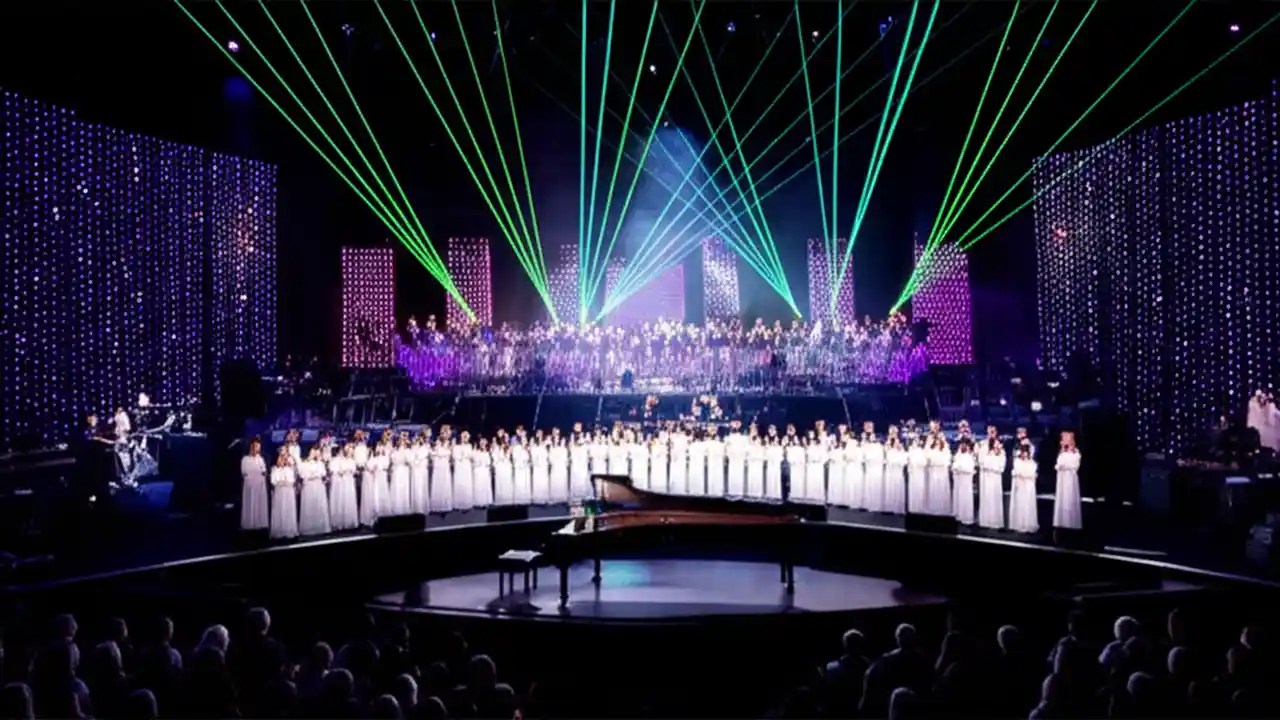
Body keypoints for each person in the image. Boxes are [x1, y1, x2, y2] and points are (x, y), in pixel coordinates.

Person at [298, 447, 332, 536]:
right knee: (309, 505)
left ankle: (320, 527)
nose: (314, 454)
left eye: (315, 452)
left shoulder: (320, 463)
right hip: (309, 486)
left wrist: (319, 476)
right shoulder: (304, 463)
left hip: (318, 485)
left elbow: (323, 473)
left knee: (319, 504)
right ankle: (309, 528)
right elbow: (302, 474)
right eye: (312, 451)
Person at [1053, 431, 1083, 530]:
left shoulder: (1076, 453)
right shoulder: (1062, 453)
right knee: (1062, 498)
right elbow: (1058, 464)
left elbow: (1075, 466)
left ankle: (1070, 523)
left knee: (1069, 498)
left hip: (1070, 478)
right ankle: (1061, 522)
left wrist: (1064, 465)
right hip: (1062, 478)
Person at [240, 438, 270, 531]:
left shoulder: (261, 459)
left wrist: (264, 473)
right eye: (256, 446)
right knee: (250, 503)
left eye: (259, 447)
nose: (258, 449)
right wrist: (251, 479)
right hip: (250, 486)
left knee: (259, 504)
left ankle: (259, 522)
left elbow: (264, 471)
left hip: (259, 486)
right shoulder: (245, 459)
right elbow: (244, 473)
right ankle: (249, 523)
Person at [329, 443, 360, 531]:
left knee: (350, 499)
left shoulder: (352, 461)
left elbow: (354, 470)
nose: (350, 453)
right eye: (348, 451)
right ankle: (340, 521)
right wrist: (343, 471)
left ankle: (350, 521)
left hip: (349, 480)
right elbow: (338, 470)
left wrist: (351, 471)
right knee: (343, 500)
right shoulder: (340, 460)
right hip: (344, 481)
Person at [1008, 443, 1039, 533]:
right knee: (1021, 504)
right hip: (1021, 486)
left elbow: (1031, 473)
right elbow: (1018, 472)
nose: (1025, 454)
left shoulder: (1032, 463)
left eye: (1026, 452)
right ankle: (1019, 524)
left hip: (1029, 486)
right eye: (1023, 452)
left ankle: (1028, 523)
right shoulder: (1017, 461)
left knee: (1028, 504)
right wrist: (1022, 474)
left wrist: (1026, 475)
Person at [978, 435, 1006, 529]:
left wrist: (993, 467)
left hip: (996, 479)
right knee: (987, 498)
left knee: (995, 498)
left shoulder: (1001, 453)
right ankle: (986, 520)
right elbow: (982, 463)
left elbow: (1001, 467)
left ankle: (995, 520)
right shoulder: (986, 452)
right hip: (987, 478)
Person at [269, 452, 299, 539]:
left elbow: (291, 481)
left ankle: (288, 529)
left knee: (287, 510)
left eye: (283, 459)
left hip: (288, 492)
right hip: (279, 492)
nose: (281, 460)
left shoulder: (289, 470)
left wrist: (286, 482)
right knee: (279, 510)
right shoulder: (275, 470)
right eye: (280, 458)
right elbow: (273, 481)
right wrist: (280, 483)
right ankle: (279, 530)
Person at [387, 434, 414, 516]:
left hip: (404, 471)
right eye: (400, 440)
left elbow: (410, 460)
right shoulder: (394, 451)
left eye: (403, 441)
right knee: (396, 488)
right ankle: (396, 508)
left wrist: (407, 452)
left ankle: (404, 507)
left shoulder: (407, 450)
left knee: (404, 488)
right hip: (397, 471)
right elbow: (393, 460)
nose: (402, 442)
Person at [951, 439, 977, 524]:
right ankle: (958, 514)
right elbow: (954, 466)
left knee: (966, 498)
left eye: (964, 445)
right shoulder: (958, 455)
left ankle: (966, 516)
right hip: (958, 480)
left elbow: (970, 469)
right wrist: (956, 468)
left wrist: (961, 468)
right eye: (961, 445)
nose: (962, 447)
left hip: (966, 480)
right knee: (958, 497)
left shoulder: (970, 457)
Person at [926, 434, 952, 516]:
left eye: (940, 441)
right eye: (936, 441)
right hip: (934, 472)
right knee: (934, 489)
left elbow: (947, 461)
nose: (938, 443)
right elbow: (929, 459)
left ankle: (942, 508)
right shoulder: (932, 451)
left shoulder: (945, 451)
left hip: (942, 473)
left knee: (942, 489)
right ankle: (934, 508)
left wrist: (941, 463)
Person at [883, 427, 908, 514]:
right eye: (891, 432)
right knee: (890, 485)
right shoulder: (887, 443)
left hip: (897, 468)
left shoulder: (900, 443)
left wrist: (898, 447)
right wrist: (889, 444)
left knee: (897, 485)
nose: (893, 434)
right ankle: (889, 506)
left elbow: (903, 455)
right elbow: (885, 453)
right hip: (890, 468)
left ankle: (898, 507)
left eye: (894, 432)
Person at [862, 424, 886, 512]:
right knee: (868, 484)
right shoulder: (863, 440)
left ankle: (875, 504)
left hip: (875, 468)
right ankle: (867, 503)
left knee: (875, 485)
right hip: (868, 467)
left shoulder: (878, 445)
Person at [430, 438, 454, 513]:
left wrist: (440, 453)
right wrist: (437, 452)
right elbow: (433, 455)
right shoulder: (436, 448)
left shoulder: (447, 448)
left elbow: (447, 454)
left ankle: (445, 505)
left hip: (445, 468)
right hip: (438, 468)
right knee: (438, 485)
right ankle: (437, 505)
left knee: (445, 485)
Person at [453, 432, 475, 510]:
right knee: (459, 483)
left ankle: (467, 503)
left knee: (466, 483)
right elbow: (454, 456)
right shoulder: (456, 446)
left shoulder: (469, 446)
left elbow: (470, 455)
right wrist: (461, 456)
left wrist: (465, 456)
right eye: (463, 436)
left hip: (466, 466)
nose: (464, 438)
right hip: (459, 466)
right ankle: (459, 503)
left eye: (466, 437)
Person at [906, 434, 927, 513]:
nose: (915, 443)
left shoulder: (922, 451)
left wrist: (917, 464)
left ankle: (920, 507)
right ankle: (913, 507)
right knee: (913, 490)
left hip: (920, 473)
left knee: (920, 489)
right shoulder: (911, 451)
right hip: (913, 473)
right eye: (914, 441)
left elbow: (924, 462)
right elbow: (908, 461)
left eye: (917, 441)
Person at [410, 433, 431, 514]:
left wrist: (417, 460)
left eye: (421, 438)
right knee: (416, 487)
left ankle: (422, 508)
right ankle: (416, 508)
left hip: (422, 469)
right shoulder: (414, 447)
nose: (419, 439)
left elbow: (422, 455)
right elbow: (412, 456)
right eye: (418, 438)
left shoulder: (426, 447)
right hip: (415, 469)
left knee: (422, 487)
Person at [844, 434, 865, 510]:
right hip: (850, 468)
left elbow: (860, 459)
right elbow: (846, 457)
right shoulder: (849, 449)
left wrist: (853, 459)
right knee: (850, 485)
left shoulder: (859, 450)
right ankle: (849, 501)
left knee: (856, 485)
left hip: (856, 468)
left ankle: (856, 501)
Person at [530, 432, 551, 505]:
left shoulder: (545, 444)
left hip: (543, 465)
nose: (539, 435)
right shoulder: (534, 445)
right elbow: (533, 454)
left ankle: (545, 498)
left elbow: (547, 454)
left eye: (541, 434)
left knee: (544, 482)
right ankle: (537, 499)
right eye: (538, 433)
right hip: (537, 466)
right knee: (537, 481)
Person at [511, 437, 532, 506]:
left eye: (525, 440)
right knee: (519, 484)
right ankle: (518, 500)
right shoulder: (517, 448)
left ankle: (525, 500)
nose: (525, 441)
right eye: (523, 440)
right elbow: (515, 458)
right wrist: (520, 463)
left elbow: (529, 458)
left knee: (525, 484)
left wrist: (527, 461)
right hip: (519, 468)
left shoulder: (527, 449)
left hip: (526, 468)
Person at [492, 440, 514, 506]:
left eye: (504, 442)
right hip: (500, 467)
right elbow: (495, 458)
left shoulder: (509, 448)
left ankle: (508, 499)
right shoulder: (497, 449)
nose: (503, 444)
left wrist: (507, 454)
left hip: (507, 467)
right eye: (502, 442)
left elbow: (510, 457)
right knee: (500, 483)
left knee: (507, 482)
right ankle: (500, 499)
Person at [570, 433, 591, 500]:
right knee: (576, 482)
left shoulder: (585, 447)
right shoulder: (574, 447)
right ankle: (576, 498)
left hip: (583, 467)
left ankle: (583, 497)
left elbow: (588, 455)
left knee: (583, 482)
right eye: (579, 438)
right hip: (576, 468)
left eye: (582, 437)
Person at [726, 430, 746, 499]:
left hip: (739, 459)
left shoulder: (743, 438)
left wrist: (741, 454)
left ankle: (739, 492)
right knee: (732, 475)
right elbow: (727, 447)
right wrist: (730, 454)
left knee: (739, 475)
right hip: (732, 459)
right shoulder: (729, 438)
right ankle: (732, 491)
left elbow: (745, 448)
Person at [549, 436, 570, 502]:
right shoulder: (552, 449)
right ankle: (554, 497)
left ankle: (562, 498)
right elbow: (551, 458)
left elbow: (566, 459)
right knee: (555, 481)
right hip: (555, 467)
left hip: (562, 467)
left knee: (562, 481)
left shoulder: (565, 450)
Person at [705, 431, 725, 498]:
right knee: (716, 477)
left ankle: (711, 491)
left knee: (713, 477)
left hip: (714, 462)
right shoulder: (720, 444)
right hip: (715, 462)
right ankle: (717, 492)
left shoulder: (709, 444)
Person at [763, 436, 782, 502]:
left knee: (776, 479)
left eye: (777, 439)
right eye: (775, 439)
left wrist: (776, 459)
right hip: (771, 464)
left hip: (776, 465)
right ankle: (770, 494)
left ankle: (777, 495)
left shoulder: (780, 448)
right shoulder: (770, 447)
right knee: (770, 478)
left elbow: (781, 457)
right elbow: (766, 456)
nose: (776, 441)